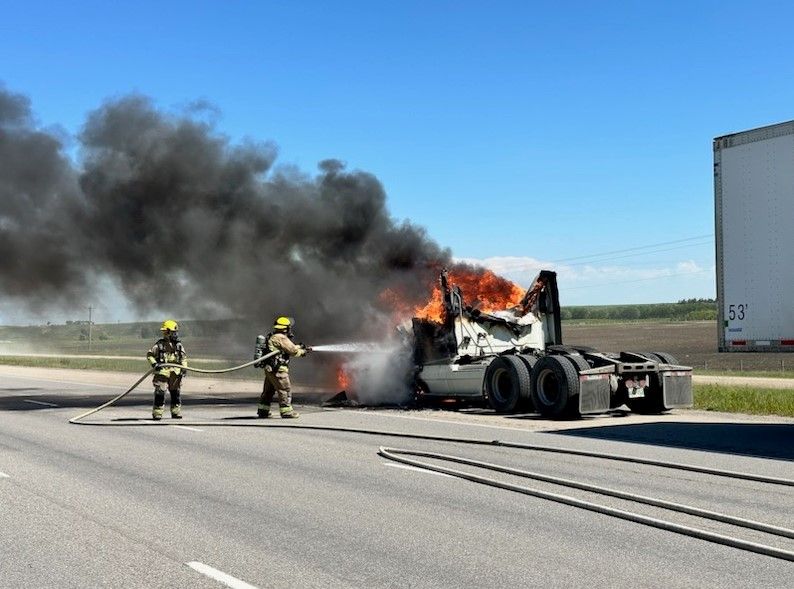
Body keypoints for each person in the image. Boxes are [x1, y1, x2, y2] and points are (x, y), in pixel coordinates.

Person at [254, 316, 309, 418]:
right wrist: (302, 352)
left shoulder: (273, 336)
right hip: (279, 370)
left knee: (268, 391)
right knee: (285, 390)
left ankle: (263, 411)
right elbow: (293, 351)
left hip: (270, 370)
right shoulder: (281, 337)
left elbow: (285, 348)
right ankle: (286, 411)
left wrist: (299, 347)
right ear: (286, 328)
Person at [146, 319, 188, 420]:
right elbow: (150, 355)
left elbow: (183, 357)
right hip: (162, 373)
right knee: (160, 393)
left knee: (175, 393)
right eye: (173, 332)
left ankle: (175, 412)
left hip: (175, 373)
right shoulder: (159, 345)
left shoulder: (178, 345)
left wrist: (184, 368)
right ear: (167, 332)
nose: (175, 334)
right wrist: (154, 364)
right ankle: (157, 413)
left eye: (175, 332)